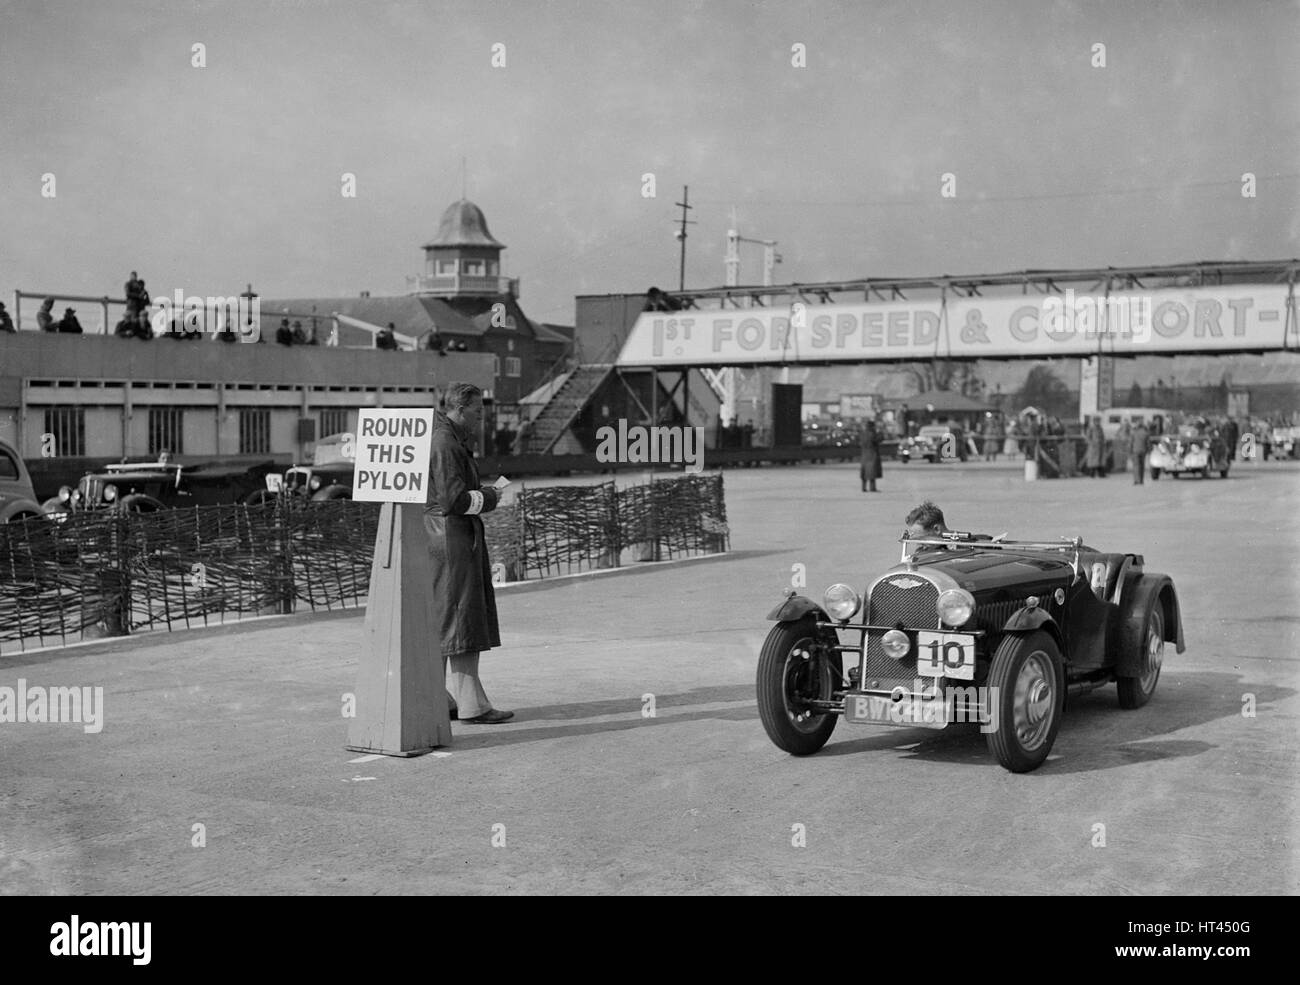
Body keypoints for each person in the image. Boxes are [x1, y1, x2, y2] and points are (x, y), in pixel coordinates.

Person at [426, 381, 513, 724]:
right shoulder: (447, 443)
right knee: (462, 618)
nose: (480, 419)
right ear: (460, 410)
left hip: (439, 538)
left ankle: (440, 696)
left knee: (445, 619)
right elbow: (454, 500)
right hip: (452, 541)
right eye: (477, 412)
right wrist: (489, 497)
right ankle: (471, 704)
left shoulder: (441, 438)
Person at [859, 419, 882, 492]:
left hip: (864, 454)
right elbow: (879, 439)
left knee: (865, 471)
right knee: (872, 471)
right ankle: (872, 488)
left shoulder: (863, 433)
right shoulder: (872, 433)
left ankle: (863, 487)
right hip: (872, 454)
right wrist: (880, 432)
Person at [1129, 420, 1150, 485]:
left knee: (1136, 466)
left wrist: (1130, 451)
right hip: (1143, 451)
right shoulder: (1146, 432)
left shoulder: (1134, 432)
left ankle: (1136, 480)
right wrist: (1148, 450)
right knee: (1142, 466)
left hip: (1135, 451)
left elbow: (1131, 443)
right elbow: (1148, 443)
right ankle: (1141, 480)